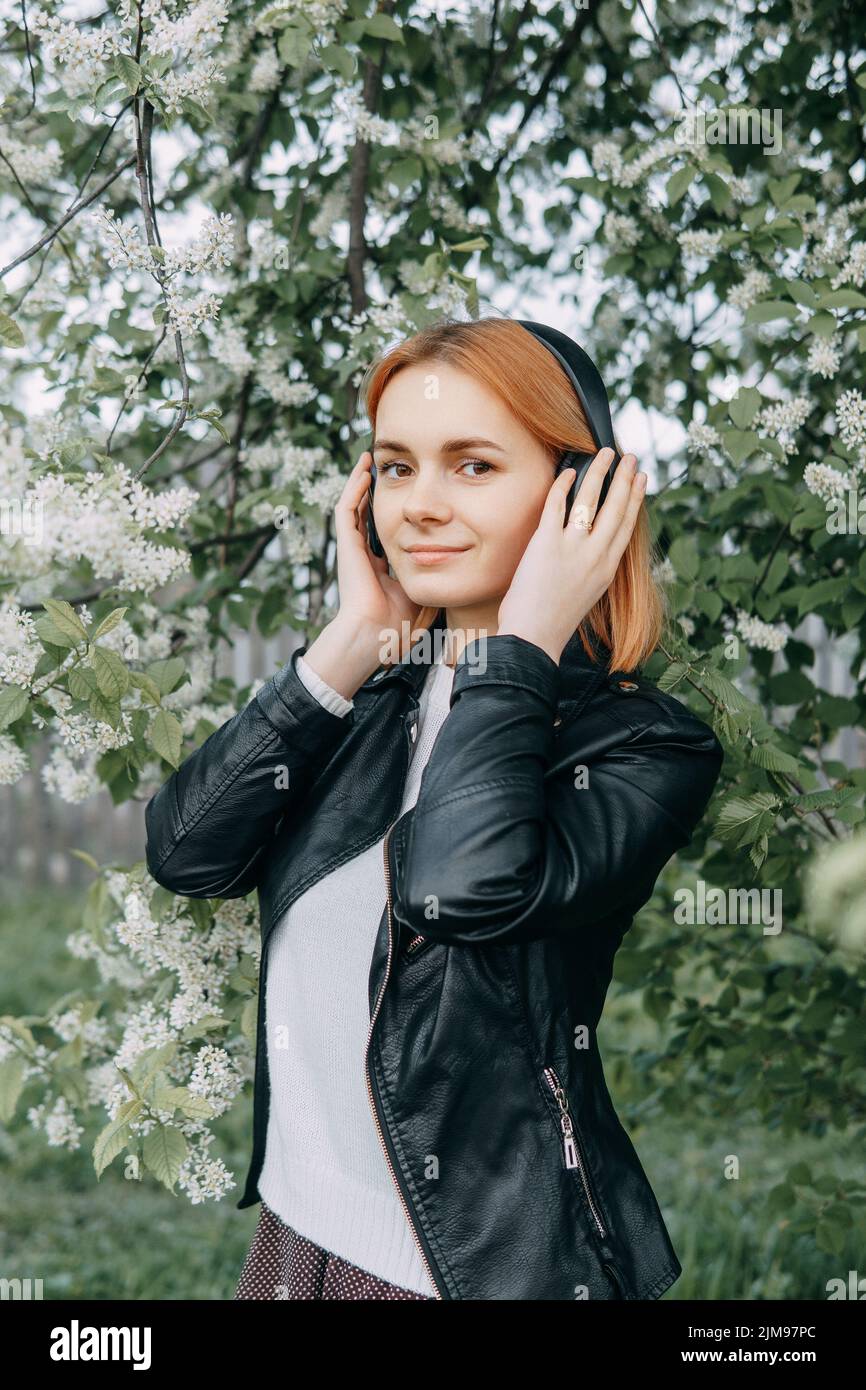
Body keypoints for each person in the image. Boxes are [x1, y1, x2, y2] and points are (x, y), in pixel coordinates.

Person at [145, 315, 725, 1300]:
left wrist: (523, 643)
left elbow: (453, 889)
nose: (418, 506)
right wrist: (352, 638)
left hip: (463, 1269)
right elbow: (188, 850)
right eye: (396, 467)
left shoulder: (638, 745)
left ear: (578, 496)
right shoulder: (372, 699)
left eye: (471, 466)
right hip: (300, 1236)